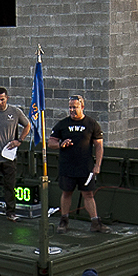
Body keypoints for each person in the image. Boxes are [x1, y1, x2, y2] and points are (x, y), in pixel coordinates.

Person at [50, 94, 106, 232]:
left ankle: (95, 222)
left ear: (82, 107)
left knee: (88, 194)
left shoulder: (91, 124)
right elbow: (51, 142)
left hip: (85, 167)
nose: (72, 110)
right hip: (67, 166)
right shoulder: (62, 124)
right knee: (66, 192)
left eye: (75, 107)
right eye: (70, 107)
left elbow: (99, 146)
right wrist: (60, 144)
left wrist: (97, 165)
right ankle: (64, 220)